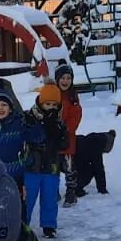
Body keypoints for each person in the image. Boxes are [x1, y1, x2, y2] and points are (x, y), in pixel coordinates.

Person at [22, 84, 68, 238]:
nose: (51, 108)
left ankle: (49, 225)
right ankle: (23, 224)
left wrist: (58, 132)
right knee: (27, 198)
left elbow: (64, 144)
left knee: (50, 198)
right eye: (48, 104)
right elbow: (28, 137)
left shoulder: (59, 122)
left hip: (51, 165)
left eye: (54, 105)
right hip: (32, 165)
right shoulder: (29, 118)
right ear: (41, 104)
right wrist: (41, 128)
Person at [54, 65, 84, 206]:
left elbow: (75, 115)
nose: (65, 81)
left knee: (69, 167)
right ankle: (53, 191)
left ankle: (71, 192)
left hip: (67, 139)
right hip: (52, 138)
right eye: (63, 78)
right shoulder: (52, 94)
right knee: (52, 166)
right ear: (57, 79)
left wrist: (66, 129)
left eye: (68, 78)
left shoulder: (73, 97)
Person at [74, 130, 117, 195]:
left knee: (85, 166)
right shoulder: (96, 147)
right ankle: (76, 189)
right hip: (71, 161)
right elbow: (99, 169)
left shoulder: (90, 139)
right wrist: (102, 189)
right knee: (91, 169)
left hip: (63, 157)